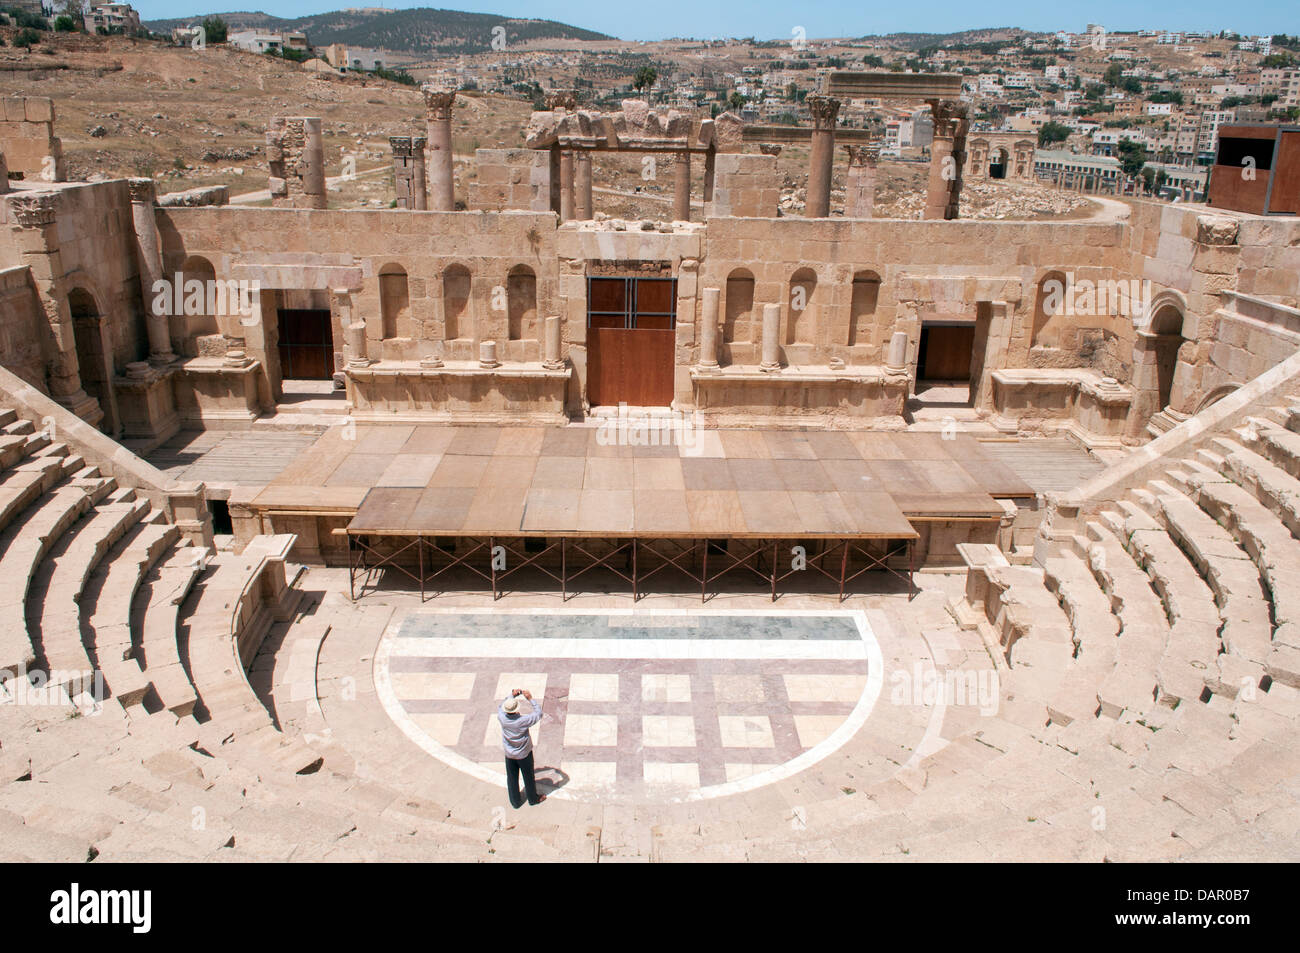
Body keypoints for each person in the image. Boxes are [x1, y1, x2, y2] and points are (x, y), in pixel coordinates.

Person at [499, 688, 546, 808]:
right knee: (528, 777)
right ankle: (533, 799)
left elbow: (501, 706)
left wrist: (511, 695)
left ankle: (515, 801)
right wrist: (530, 698)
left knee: (512, 778)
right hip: (524, 754)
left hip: (509, 754)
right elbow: (538, 713)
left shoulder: (502, 718)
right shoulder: (523, 721)